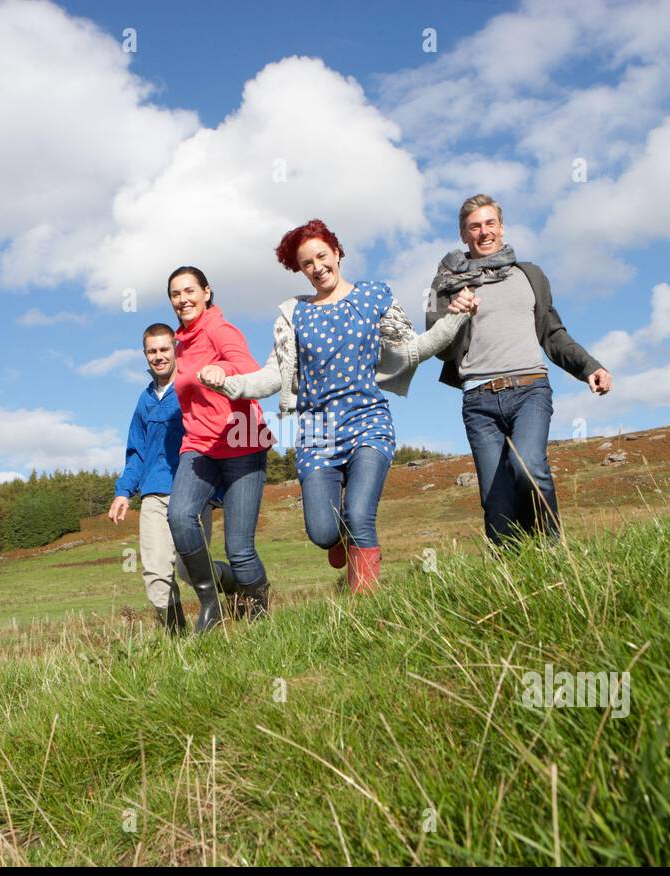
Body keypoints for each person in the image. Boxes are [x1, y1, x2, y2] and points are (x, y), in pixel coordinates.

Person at [209, 220, 472, 593]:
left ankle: (365, 608)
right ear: (300, 271)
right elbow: (274, 375)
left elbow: (411, 348)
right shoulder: (294, 315)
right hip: (317, 433)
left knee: (360, 514)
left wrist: (457, 316)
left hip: (368, 421)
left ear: (337, 252)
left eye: (321, 256)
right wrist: (232, 384)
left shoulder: (373, 297)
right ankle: (339, 539)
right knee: (322, 531)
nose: (317, 267)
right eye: (306, 264)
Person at [426, 194, 612, 547]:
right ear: (463, 235)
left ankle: (551, 550)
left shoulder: (530, 275)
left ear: (502, 227)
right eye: (474, 227)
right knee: (496, 502)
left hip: (530, 389)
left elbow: (552, 333)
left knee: (528, 466)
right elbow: (441, 349)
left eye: (490, 223)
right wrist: (454, 314)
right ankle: (510, 577)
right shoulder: (445, 285)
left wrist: (590, 367)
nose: (484, 232)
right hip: (478, 399)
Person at [165, 266, 274, 631]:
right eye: (175, 294)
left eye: (189, 291)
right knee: (179, 516)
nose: (183, 299)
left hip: (241, 441)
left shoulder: (219, 328)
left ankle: (259, 613)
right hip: (199, 446)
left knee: (239, 550)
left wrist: (222, 371)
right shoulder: (180, 342)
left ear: (207, 292)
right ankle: (211, 607)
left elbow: (250, 369)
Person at [106, 323, 232, 633]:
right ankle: (177, 641)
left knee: (190, 571)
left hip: (191, 489)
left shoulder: (193, 387)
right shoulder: (144, 401)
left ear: (175, 349)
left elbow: (216, 433)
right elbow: (136, 452)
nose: (159, 356)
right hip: (153, 494)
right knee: (156, 574)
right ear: (145, 354)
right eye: (152, 351)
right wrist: (124, 492)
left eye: (164, 349)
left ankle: (235, 582)